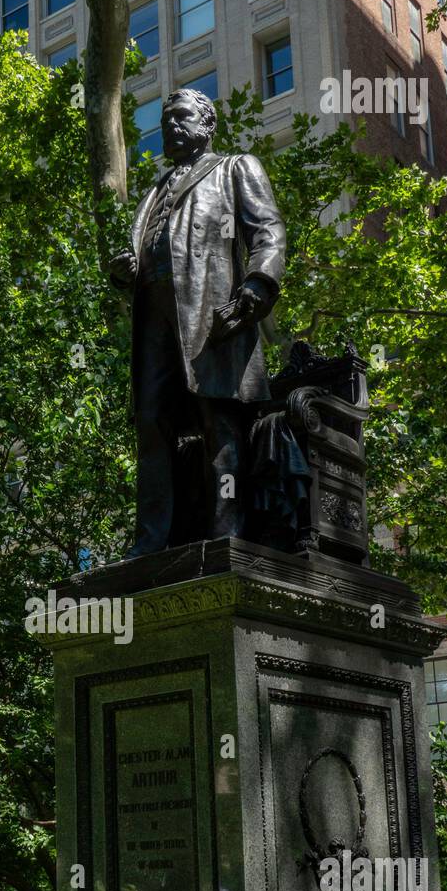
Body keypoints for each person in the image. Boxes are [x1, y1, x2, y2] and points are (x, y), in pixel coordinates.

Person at [110, 88, 286, 557]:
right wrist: (127, 270)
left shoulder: (235, 168)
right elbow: (148, 247)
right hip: (153, 318)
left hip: (212, 319)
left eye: (181, 116)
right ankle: (150, 541)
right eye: (165, 119)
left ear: (207, 123)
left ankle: (226, 533)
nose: (170, 125)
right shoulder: (153, 189)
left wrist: (256, 287)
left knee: (218, 422)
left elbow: (268, 231)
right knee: (151, 422)